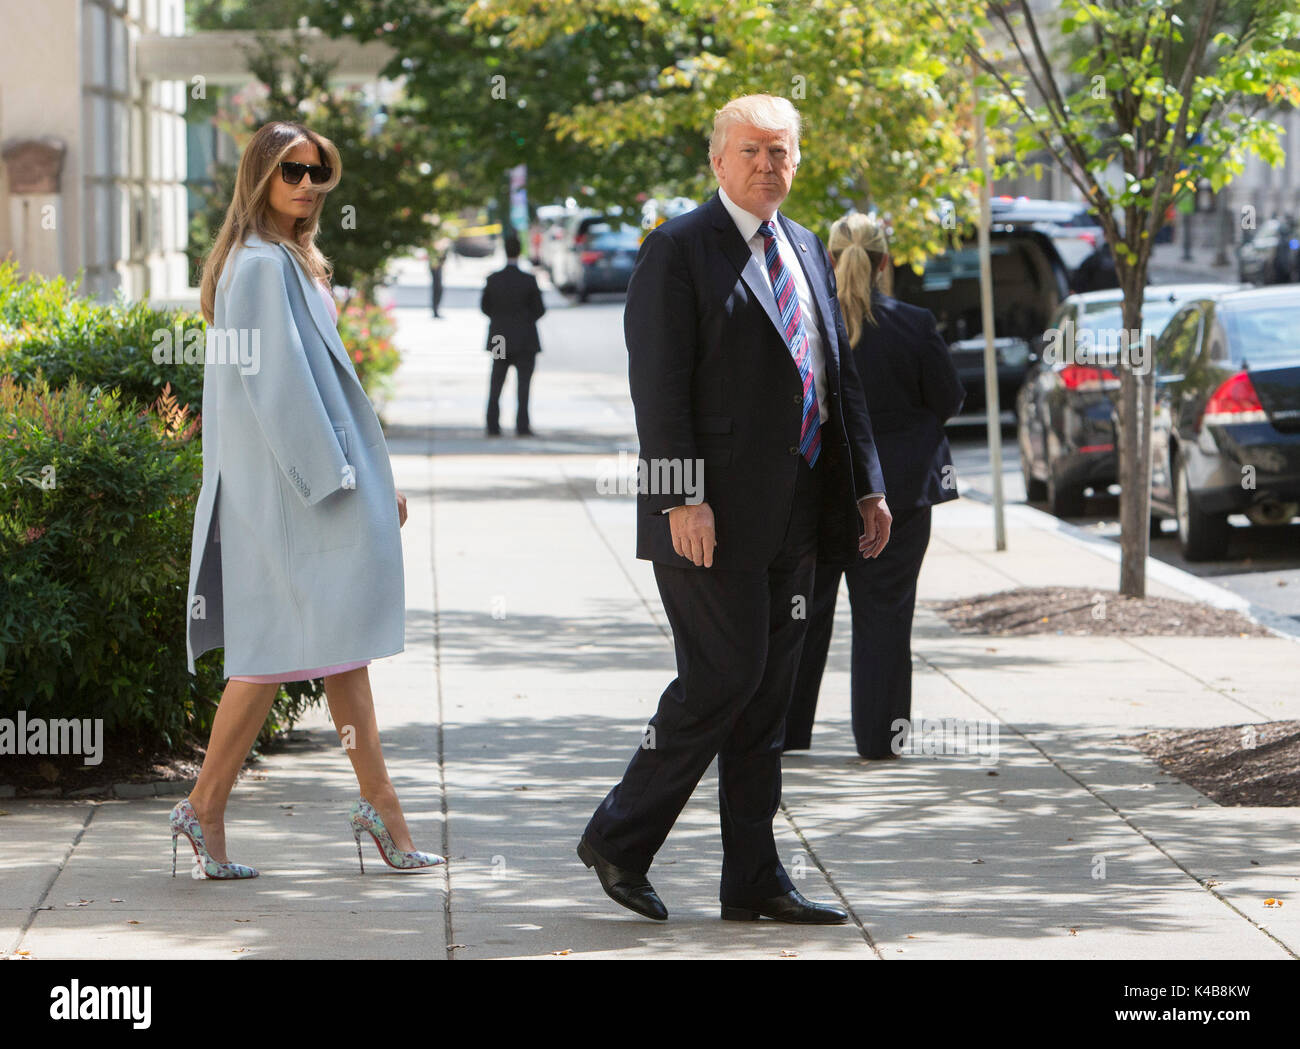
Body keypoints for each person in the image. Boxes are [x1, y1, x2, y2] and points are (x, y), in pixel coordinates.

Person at [577, 94, 892, 924]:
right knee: (723, 676)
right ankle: (618, 834)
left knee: (768, 697)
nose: (768, 164)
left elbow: (836, 379)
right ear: (718, 160)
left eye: (782, 151)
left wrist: (867, 483)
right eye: (751, 150)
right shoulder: (677, 250)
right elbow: (660, 389)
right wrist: (683, 494)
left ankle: (753, 877)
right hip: (707, 515)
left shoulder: (806, 248)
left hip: (800, 508)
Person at [183, 120, 443, 879]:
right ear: (259, 175)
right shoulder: (262, 265)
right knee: (275, 653)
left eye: (317, 172)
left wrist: (365, 472)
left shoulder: (284, 259)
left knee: (337, 648)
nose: (306, 184)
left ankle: (377, 807)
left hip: (303, 485)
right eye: (291, 170)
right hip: (298, 492)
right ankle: (206, 806)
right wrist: (340, 478)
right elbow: (280, 388)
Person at [786, 213, 965, 758]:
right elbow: (950, 399)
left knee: (803, 615)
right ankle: (880, 741)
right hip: (901, 494)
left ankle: (786, 734)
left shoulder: (806, 323)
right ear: (886, 262)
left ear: (827, 260)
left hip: (818, 491)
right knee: (885, 615)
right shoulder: (913, 322)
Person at [481, 233, 545, 437]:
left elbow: (485, 307)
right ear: (520, 252)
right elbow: (539, 309)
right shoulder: (528, 280)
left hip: (500, 339)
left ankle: (492, 425)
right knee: (523, 385)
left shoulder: (494, 279)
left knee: (497, 381)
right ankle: (522, 425)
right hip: (525, 340)